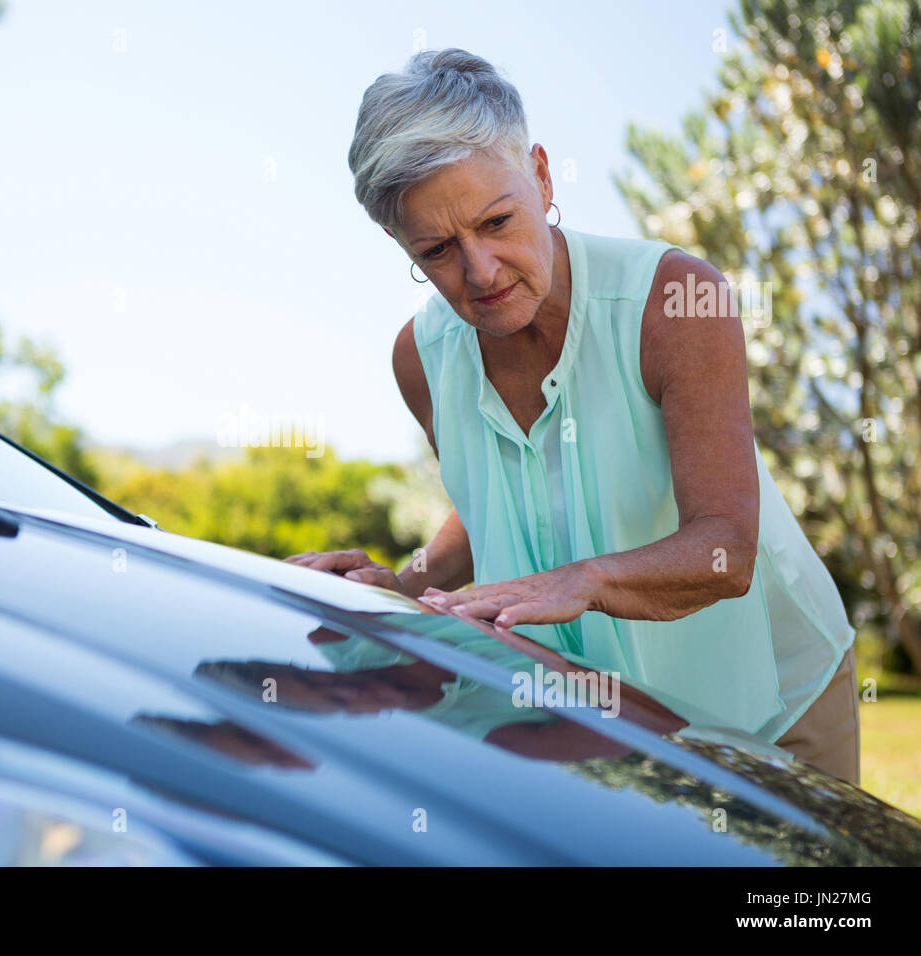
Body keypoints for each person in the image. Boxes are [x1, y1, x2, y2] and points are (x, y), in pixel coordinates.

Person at [286, 48, 860, 783]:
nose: (481, 270)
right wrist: (404, 586)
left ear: (543, 176)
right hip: (601, 716)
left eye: (497, 220)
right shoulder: (420, 358)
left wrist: (582, 580)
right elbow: (489, 504)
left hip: (774, 701)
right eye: (436, 249)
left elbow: (726, 549)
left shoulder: (675, 301)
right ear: (401, 245)